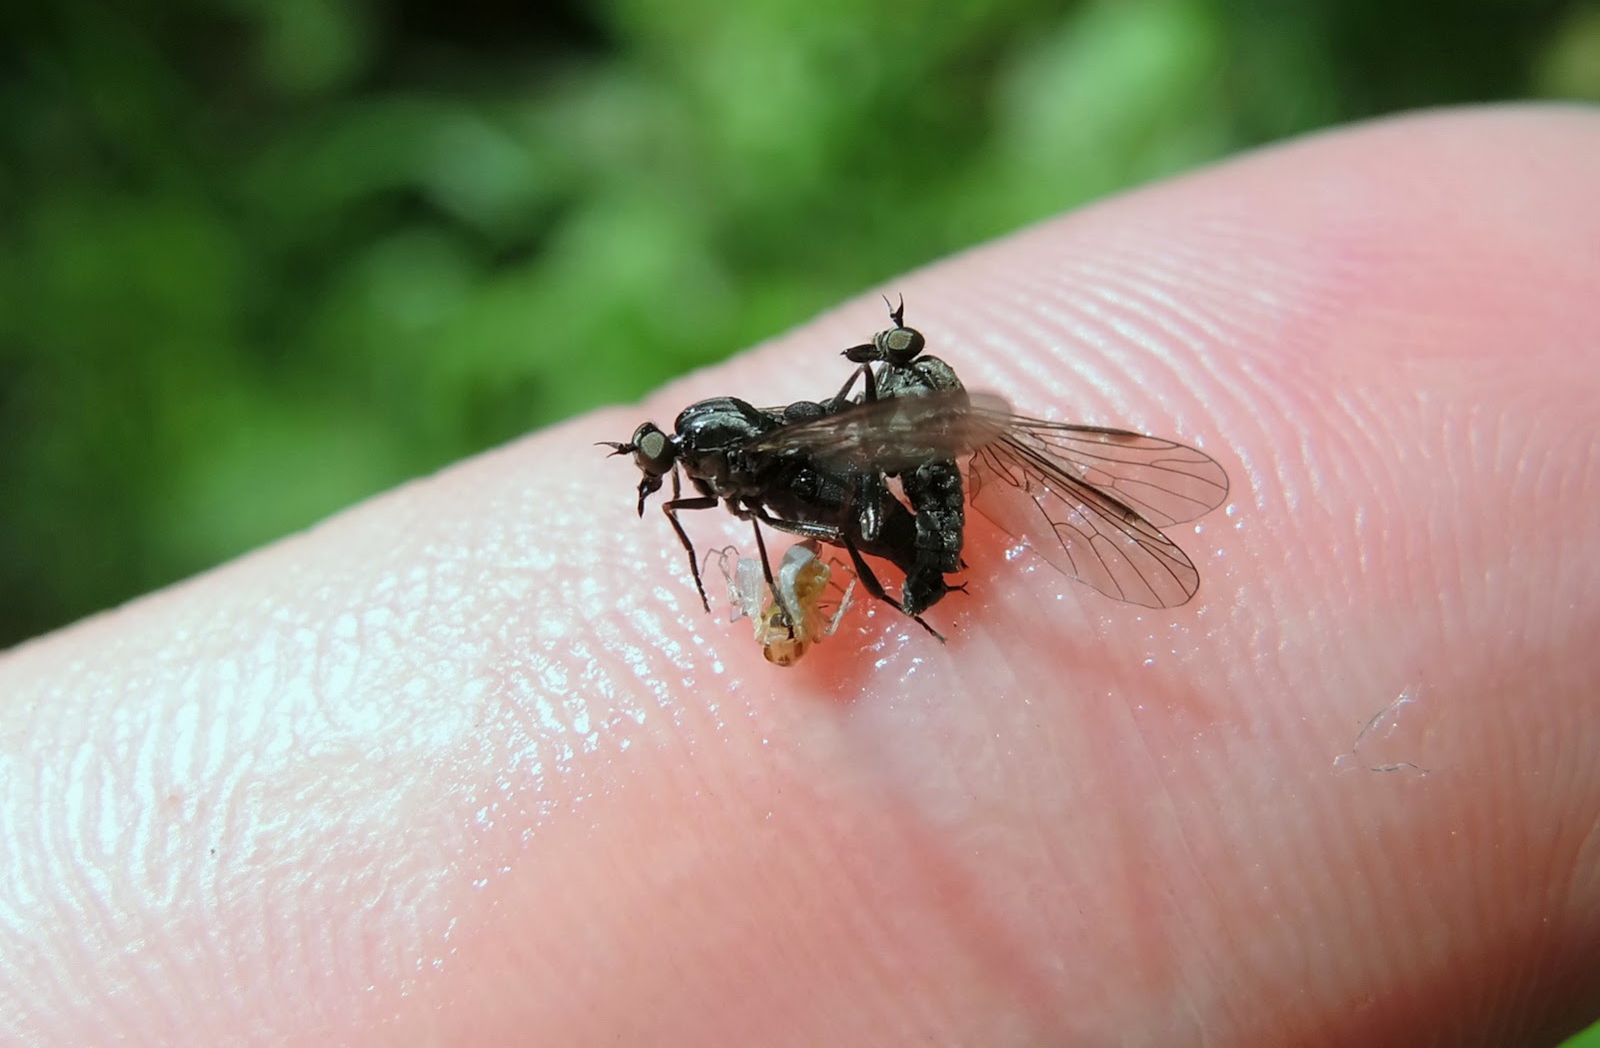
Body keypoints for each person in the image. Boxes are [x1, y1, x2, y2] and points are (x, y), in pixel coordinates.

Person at [2, 107, 1596, 1046]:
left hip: (903, 491)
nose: (663, 482)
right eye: (667, 469)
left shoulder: (849, 436)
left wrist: (890, 505)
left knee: (884, 514)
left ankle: (914, 572)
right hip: (864, 493)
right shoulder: (738, 457)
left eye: (662, 467)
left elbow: (875, 452)